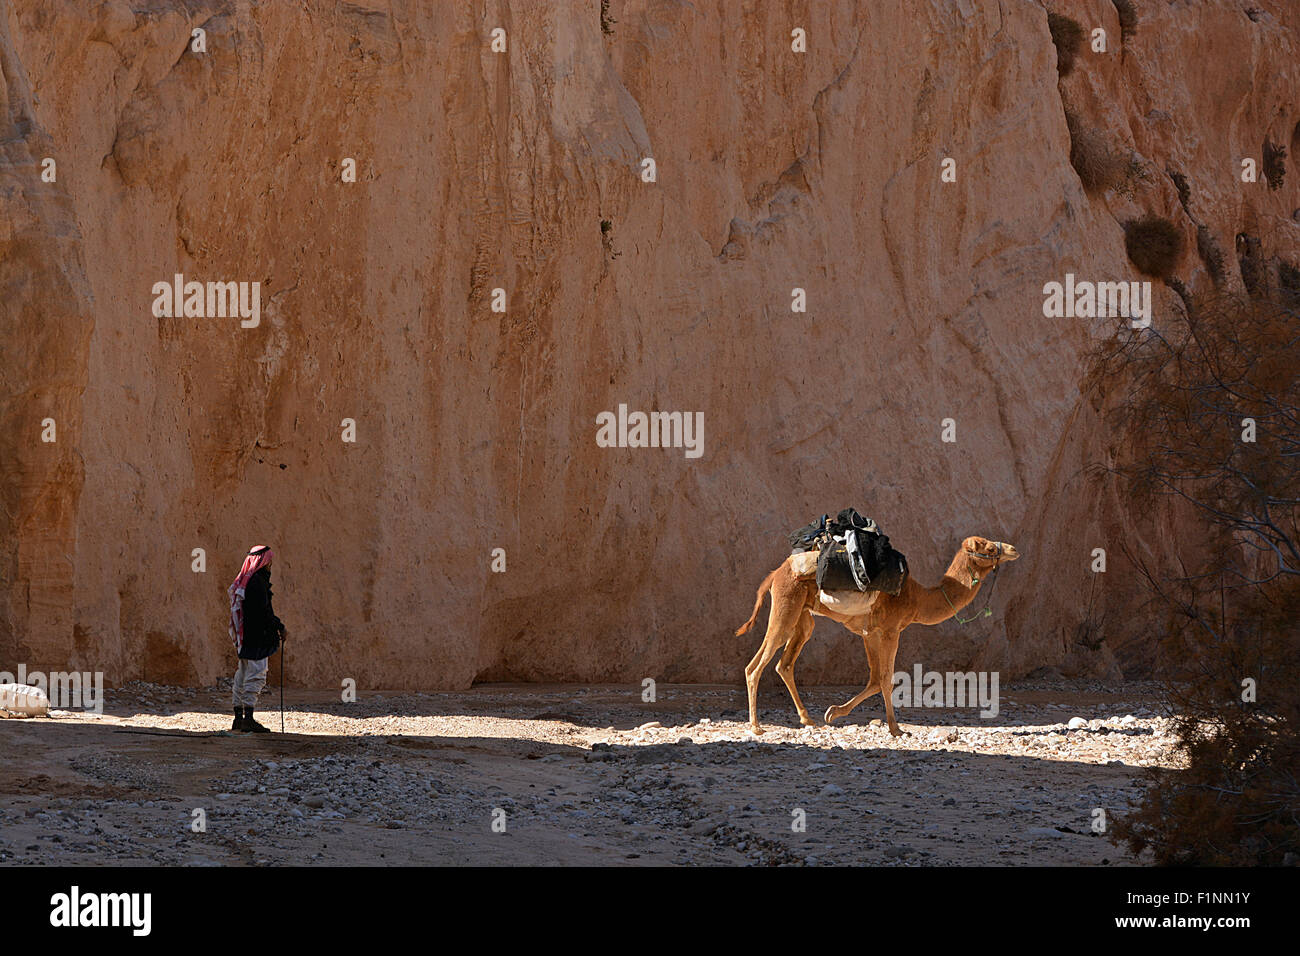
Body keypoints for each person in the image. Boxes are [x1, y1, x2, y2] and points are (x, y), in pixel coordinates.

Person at [226, 545, 286, 733]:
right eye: (269, 561)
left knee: (242, 674)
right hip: (257, 637)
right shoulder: (257, 583)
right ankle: (248, 718)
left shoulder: (248, 580)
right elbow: (264, 612)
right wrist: (279, 627)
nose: (271, 565)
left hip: (246, 637)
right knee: (256, 674)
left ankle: (239, 718)